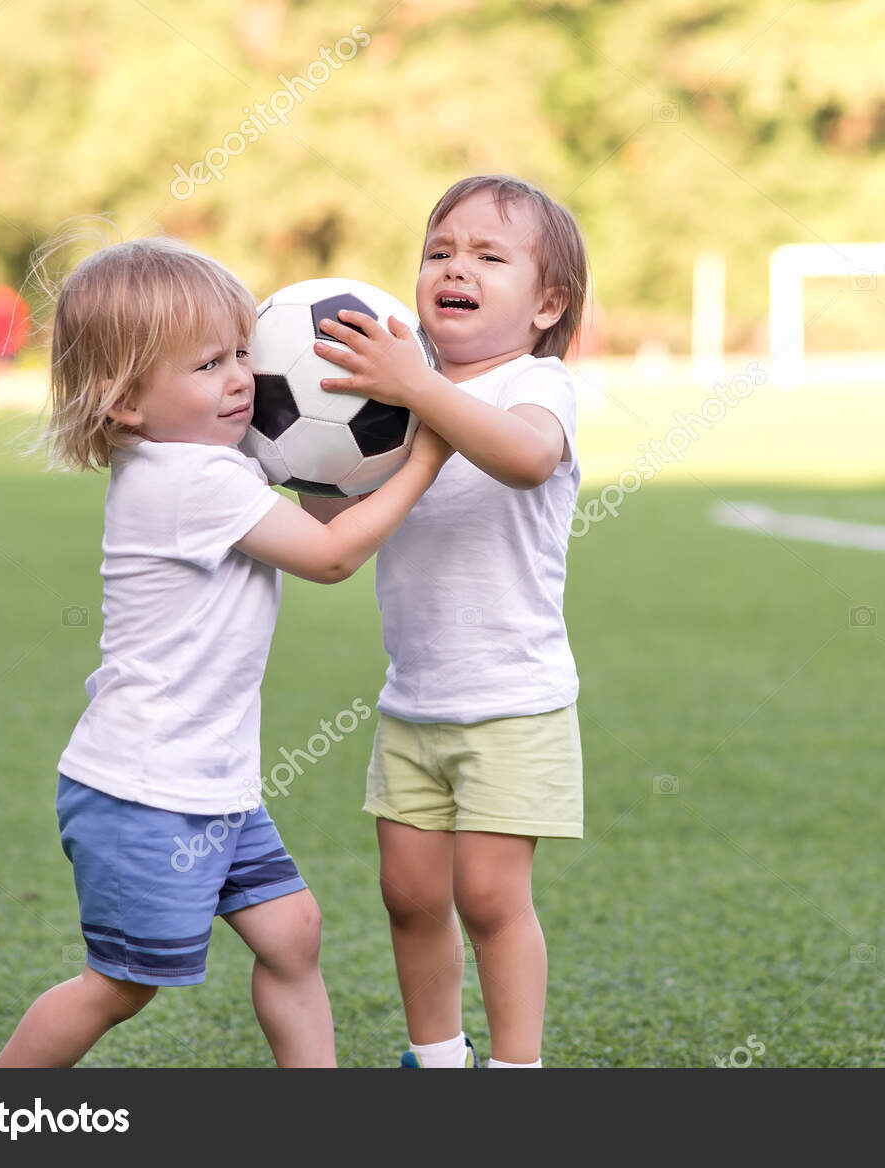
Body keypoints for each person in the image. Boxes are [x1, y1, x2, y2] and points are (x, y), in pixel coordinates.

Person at [0, 237, 451, 1068]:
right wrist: (424, 454)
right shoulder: (189, 481)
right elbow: (330, 556)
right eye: (209, 365)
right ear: (125, 402)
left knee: (292, 934)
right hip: (147, 789)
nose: (242, 377)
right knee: (120, 986)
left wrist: (337, 461)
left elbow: (311, 523)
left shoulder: (204, 459)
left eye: (244, 352)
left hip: (209, 782)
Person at [311, 174, 588, 1069]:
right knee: (409, 894)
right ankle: (436, 1059)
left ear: (546, 304)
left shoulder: (535, 386)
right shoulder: (390, 409)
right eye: (439, 251)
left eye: (487, 255)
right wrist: (289, 451)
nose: (454, 266)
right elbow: (329, 526)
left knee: (490, 897)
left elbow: (526, 457)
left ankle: (515, 1069)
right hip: (414, 703)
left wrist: (418, 392)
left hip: (516, 702)